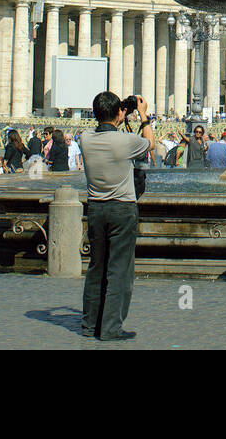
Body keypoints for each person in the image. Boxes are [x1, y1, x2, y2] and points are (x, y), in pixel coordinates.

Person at [79, 92, 154, 341]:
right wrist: (142, 115)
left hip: (96, 209)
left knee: (96, 267)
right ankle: (110, 327)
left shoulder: (85, 139)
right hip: (122, 209)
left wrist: (117, 116)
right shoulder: (126, 142)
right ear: (119, 113)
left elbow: (102, 127)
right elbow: (150, 143)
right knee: (119, 270)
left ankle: (90, 325)